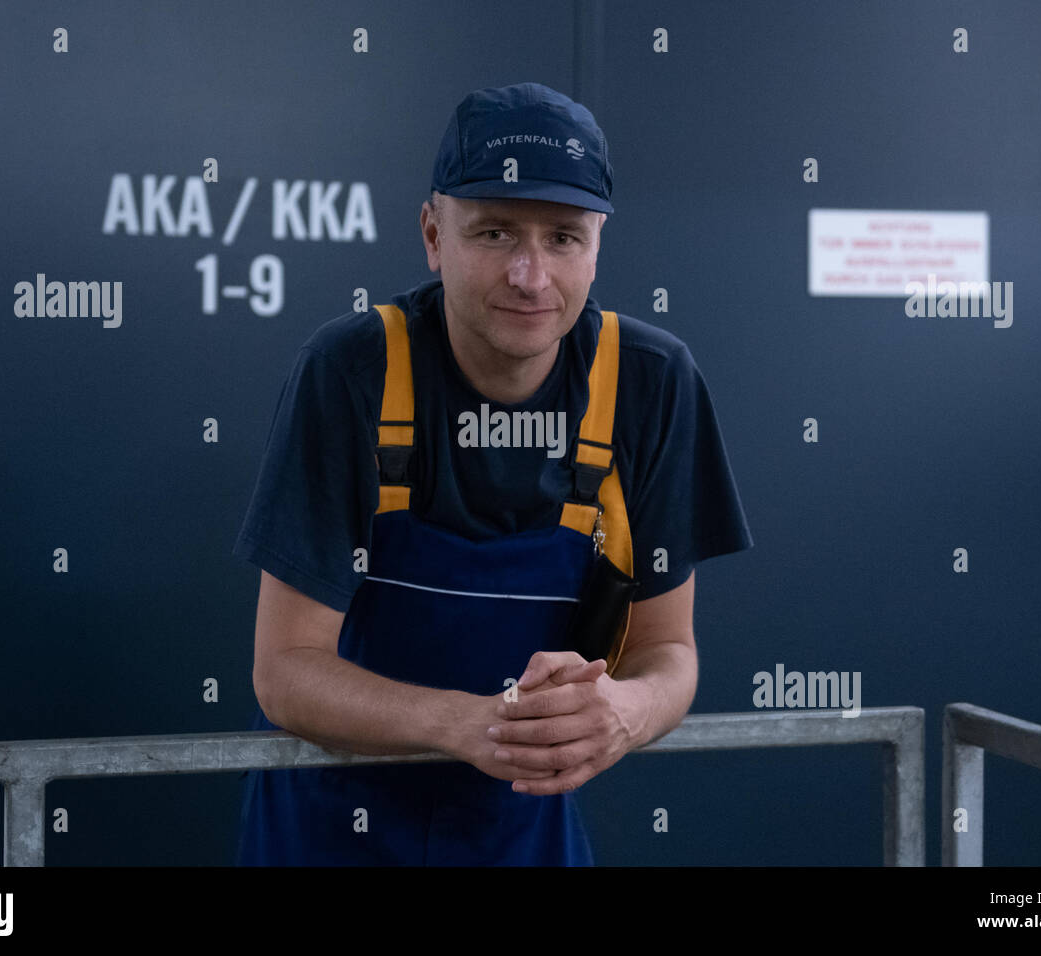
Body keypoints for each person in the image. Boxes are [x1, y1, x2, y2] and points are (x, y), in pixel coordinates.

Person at [232, 82, 753, 865]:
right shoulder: (351, 371)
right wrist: (465, 723)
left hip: (521, 833)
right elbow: (285, 674)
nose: (530, 276)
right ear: (433, 235)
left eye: (564, 238)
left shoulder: (649, 381)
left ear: (599, 244)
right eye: (496, 233)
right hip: (329, 830)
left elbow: (667, 652)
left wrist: (626, 709)